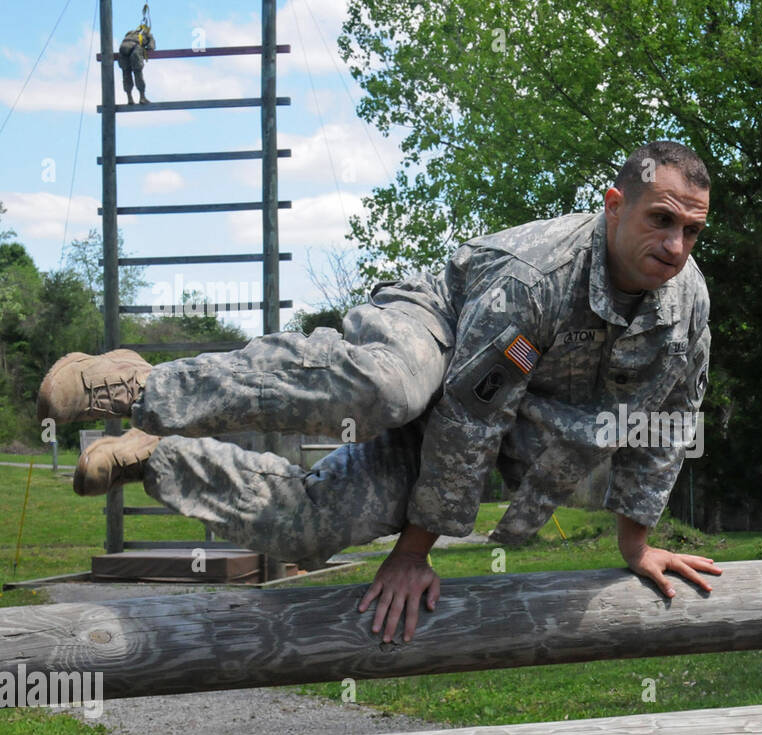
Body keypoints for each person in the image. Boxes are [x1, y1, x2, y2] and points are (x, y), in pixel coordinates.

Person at [38, 141, 722, 641]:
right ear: (613, 205)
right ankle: (140, 386)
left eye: (691, 230)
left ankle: (151, 456)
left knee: (309, 529)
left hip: (475, 419)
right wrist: (411, 554)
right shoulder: (538, 278)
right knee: (389, 387)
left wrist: (636, 543)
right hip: (435, 332)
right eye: (661, 219)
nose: (675, 245)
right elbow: (468, 415)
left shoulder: (685, 309)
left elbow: (670, 420)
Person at [118, 23, 155, 105]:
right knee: (138, 73)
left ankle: (129, 98)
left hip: (123, 48)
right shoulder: (148, 34)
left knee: (126, 73)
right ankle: (142, 97)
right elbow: (151, 47)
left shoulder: (130, 33)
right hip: (135, 47)